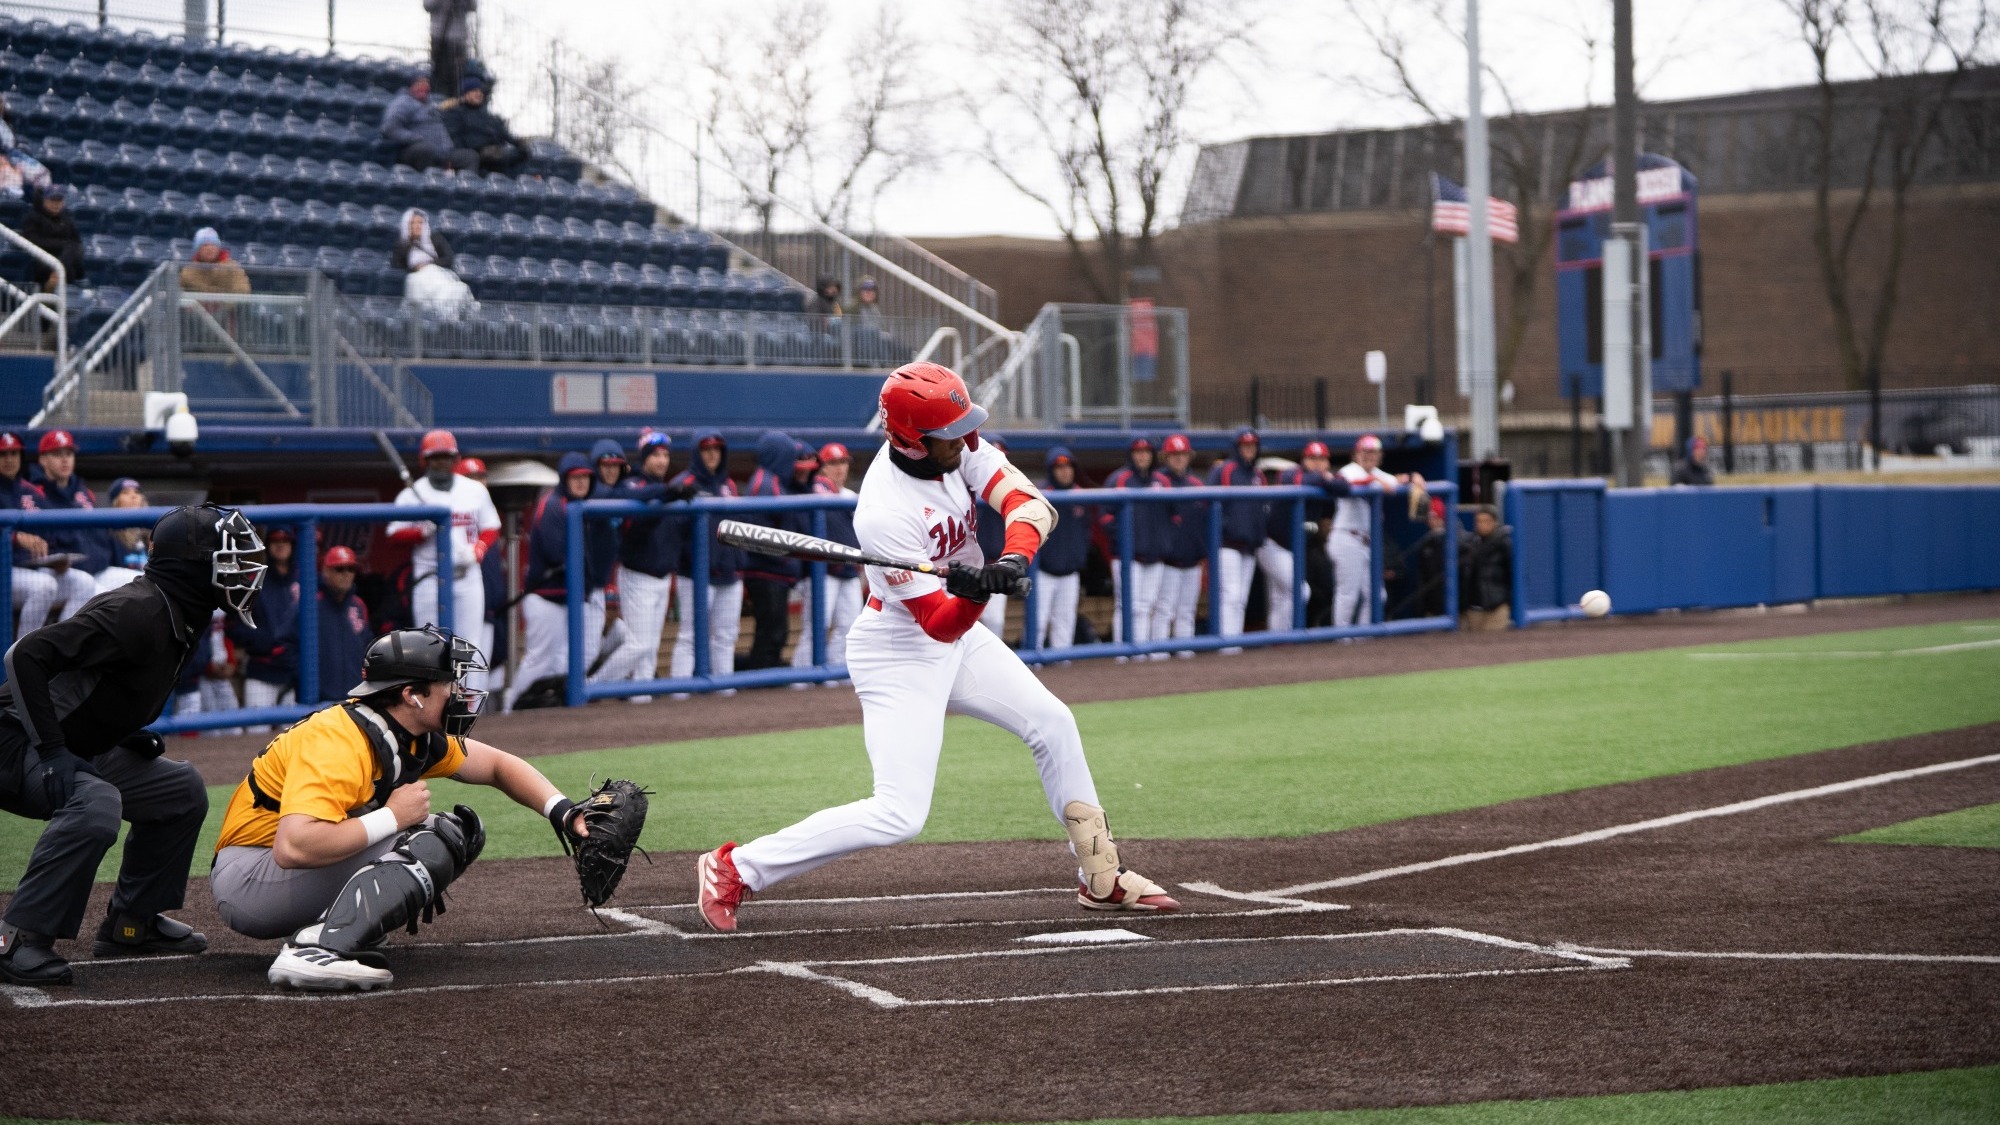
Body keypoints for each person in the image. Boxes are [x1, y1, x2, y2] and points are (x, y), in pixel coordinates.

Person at [695, 361, 1178, 932]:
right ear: (912, 440)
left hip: (959, 632)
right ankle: (736, 867)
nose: (966, 437)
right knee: (900, 813)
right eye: (950, 432)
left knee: (1053, 721)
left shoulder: (959, 443)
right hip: (899, 649)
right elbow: (939, 625)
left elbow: (1030, 507)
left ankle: (1101, 877)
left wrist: (1010, 561)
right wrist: (975, 595)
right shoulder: (883, 514)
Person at [210, 625, 602, 992]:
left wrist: (566, 813)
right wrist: (393, 817)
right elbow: (293, 846)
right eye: (448, 682)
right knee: (431, 837)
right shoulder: (338, 740)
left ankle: (342, 925)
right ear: (412, 695)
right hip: (250, 878)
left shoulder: (405, 732)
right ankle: (316, 949)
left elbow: (499, 766)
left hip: (279, 870)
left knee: (460, 831)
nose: (459, 691)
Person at [0, 504, 265, 986]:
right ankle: (17, 939)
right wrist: (54, 749)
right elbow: (26, 656)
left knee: (179, 789)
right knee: (96, 802)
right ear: (193, 565)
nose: (242, 570)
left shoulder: (182, 610)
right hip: (13, 740)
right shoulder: (135, 610)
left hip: (66, 742)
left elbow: (91, 685)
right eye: (229, 560)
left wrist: (116, 730)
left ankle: (131, 923)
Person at [386, 429, 499, 691]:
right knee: (429, 644)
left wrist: (479, 549)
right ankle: (431, 706)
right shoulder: (411, 496)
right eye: (435, 458)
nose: (441, 463)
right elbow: (392, 534)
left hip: (468, 576)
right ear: (425, 461)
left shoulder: (474, 490)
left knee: (470, 643)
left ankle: (467, 705)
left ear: (455, 459)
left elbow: (492, 525)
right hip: (430, 577)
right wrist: (420, 530)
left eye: (445, 457)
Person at [506, 453, 610, 711]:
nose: (581, 482)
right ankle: (510, 708)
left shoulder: (581, 505)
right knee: (540, 659)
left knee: (566, 660)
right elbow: (557, 553)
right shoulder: (552, 504)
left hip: (567, 598)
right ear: (565, 479)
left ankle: (548, 709)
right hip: (545, 598)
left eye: (585, 477)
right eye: (575, 477)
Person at [599, 431, 697, 701]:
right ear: (644, 458)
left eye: (666, 455)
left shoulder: (667, 490)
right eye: (656, 455)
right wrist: (669, 491)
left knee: (650, 648)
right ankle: (595, 685)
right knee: (639, 645)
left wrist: (671, 492)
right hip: (637, 576)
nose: (662, 460)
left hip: (663, 577)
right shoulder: (632, 483)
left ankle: (640, 700)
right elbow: (639, 495)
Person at [666, 430, 745, 693]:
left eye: (717, 449)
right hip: (696, 574)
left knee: (725, 636)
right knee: (690, 635)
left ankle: (723, 690)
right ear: (697, 452)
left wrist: (736, 562)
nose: (712, 454)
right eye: (706, 449)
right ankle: (680, 693)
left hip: (728, 574)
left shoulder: (729, 485)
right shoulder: (684, 482)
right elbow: (674, 532)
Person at [1328, 435, 1423, 628]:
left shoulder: (1377, 473)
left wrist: (1413, 477)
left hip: (1366, 541)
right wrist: (1378, 480)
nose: (1370, 456)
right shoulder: (1349, 471)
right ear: (1356, 454)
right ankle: (1341, 637)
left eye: (1374, 452)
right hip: (1346, 537)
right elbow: (1354, 482)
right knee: (1349, 594)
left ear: (1380, 456)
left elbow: (1397, 481)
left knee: (1377, 595)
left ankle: (1364, 636)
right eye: (1365, 452)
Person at [790, 442, 865, 676]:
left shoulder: (851, 496)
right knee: (815, 629)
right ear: (822, 467)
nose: (840, 468)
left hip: (849, 571)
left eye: (843, 462)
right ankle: (800, 679)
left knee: (850, 628)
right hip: (822, 572)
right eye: (833, 463)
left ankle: (834, 674)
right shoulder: (814, 490)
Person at [737, 431, 806, 672]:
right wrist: (786, 562)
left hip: (773, 572)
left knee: (775, 632)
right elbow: (760, 537)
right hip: (766, 573)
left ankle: (765, 676)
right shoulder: (765, 484)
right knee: (771, 632)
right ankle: (760, 684)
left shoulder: (773, 481)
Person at [1101, 437, 1174, 658]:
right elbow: (1104, 517)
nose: (1142, 456)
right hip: (1126, 556)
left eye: (1146, 452)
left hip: (1154, 555)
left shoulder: (1162, 480)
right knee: (1127, 606)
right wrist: (1125, 538)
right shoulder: (1119, 479)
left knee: (1147, 605)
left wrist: (1161, 541)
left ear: (1152, 455)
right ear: (1131, 455)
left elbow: (1174, 516)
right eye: (1138, 452)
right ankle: (1122, 653)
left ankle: (1141, 652)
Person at [30, 429, 114, 618]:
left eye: (68, 454)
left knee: (137, 582)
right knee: (103, 596)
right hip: (58, 574)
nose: (65, 460)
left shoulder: (83, 492)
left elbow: (99, 537)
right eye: (57, 454)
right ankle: (64, 643)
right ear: (43, 459)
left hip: (96, 569)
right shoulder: (33, 494)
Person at [1205, 429, 1269, 653]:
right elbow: (1207, 504)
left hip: (1249, 545)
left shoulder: (1258, 475)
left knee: (1240, 598)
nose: (1249, 449)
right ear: (1237, 447)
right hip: (1227, 543)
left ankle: (1234, 642)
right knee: (1230, 594)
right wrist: (1224, 527)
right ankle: (1227, 644)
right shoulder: (1224, 470)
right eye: (1245, 445)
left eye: (1252, 445)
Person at [231, 527, 303, 726]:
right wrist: (267, 643)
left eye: (285, 540)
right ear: (267, 546)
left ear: (293, 546)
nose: (280, 544)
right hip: (261, 674)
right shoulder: (254, 582)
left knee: (292, 743)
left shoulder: (306, 580)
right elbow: (236, 627)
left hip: (294, 676)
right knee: (256, 738)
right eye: (275, 540)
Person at [0, 432, 66, 636]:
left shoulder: (32, 491)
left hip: (31, 569)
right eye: (3, 454)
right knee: (43, 586)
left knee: (83, 582)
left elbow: (51, 534)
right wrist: (14, 538)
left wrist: (55, 558)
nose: (10, 459)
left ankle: (63, 654)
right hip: (5, 570)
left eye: (14, 453)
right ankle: (22, 657)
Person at [1033, 446, 1091, 656]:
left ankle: (1062, 665)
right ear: (1052, 470)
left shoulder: (1079, 495)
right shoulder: (1040, 494)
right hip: (1044, 572)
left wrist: (1079, 558)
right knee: (1038, 620)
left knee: (1065, 621)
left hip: (1070, 573)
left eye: (1068, 467)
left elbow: (1086, 532)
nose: (1065, 471)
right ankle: (1033, 663)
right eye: (1060, 467)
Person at [1155, 433, 1207, 656]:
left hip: (1192, 559)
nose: (1178, 459)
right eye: (1173, 455)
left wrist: (1201, 553)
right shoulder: (1158, 482)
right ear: (1165, 457)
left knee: (1187, 611)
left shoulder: (1196, 484)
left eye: (1182, 454)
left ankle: (1185, 655)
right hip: (1167, 560)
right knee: (1164, 610)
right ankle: (1158, 654)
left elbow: (1204, 523)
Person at [379, 72, 476, 172]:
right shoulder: (403, 102)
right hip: (414, 151)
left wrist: (448, 148)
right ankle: (427, 185)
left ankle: (463, 185)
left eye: (426, 83)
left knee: (469, 156)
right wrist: (416, 138)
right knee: (426, 150)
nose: (424, 86)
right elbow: (389, 128)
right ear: (411, 86)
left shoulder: (431, 105)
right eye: (420, 82)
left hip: (442, 152)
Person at [316, 546, 373, 701]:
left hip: (355, 699)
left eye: (351, 569)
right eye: (339, 569)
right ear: (326, 571)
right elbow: (288, 645)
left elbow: (369, 649)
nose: (346, 574)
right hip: (320, 702)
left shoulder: (358, 605)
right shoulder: (311, 605)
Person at [392, 208, 475, 315]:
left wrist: (429, 264)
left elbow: (449, 258)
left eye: (420, 223)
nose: (417, 226)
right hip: (417, 278)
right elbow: (396, 264)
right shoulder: (402, 245)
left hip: (436, 272)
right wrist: (415, 267)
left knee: (450, 287)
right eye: (413, 223)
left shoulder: (435, 238)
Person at [440, 77, 528, 175]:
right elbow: (455, 139)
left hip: (495, 152)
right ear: (465, 94)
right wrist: (478, 149)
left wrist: (520, 144)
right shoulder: (455, 113)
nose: (479, 94)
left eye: (480, 91)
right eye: (474, 91)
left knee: (523, 154)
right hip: (475, 153)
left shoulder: (488, 117)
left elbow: (504, 134)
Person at [1293, 442, 1338, 627]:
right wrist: (1325, 479)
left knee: (1324, 587)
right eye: (1313, 459)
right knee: (1297, 592)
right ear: (1304, 460)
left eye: (1321, 459)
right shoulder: (1292, 473)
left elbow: (1343, 487)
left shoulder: (1328, 482)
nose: (1317, 463)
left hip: (1311, 544)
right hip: (1284, 545)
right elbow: (1302, 481)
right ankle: (1289, 636)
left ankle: (1317, 630)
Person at [20, 184, 84, 291]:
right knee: (70, 248)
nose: (56, 204)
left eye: (59, 200)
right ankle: (59, 276)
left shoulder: (67, 218)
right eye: (52, 200)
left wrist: (64, 246)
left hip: (65, 261)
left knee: (73, 248)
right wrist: (61, 244)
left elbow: (76, 242)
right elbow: (32, 241)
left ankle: (56, 275)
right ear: (44, 200)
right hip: (41, 261)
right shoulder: (33, 217)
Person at [1460, 505, 1513, 632]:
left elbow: (1513, 575)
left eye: (1486, 521)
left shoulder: (1504, 543)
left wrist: (1508, 601)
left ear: (1495, 522)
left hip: (1496, 607)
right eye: (1479, 521)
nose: (1482, 525)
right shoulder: (1469, 544)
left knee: (1495, 647)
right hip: (1473, 608)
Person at [93, 478, 151, 592]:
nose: (133, 496)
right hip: (113, 587)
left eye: (137, 492)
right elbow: (102, 571)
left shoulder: (149, 532)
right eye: (125, 493)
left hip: (141, 588)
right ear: (116, 501)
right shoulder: (107, 530)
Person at [424, 0, 478, 97]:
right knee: (439, 75)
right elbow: (427, 6)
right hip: (438, 37)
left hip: (458, 40)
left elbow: (473, 6)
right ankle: (438, 100)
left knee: (457, 75)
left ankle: (455, 102)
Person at [178, 227, 250, 296]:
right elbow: (177, 292)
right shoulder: (188, 271)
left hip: (227, 308)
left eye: (213, 244)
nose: (210, 248)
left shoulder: (233, 268)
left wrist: (223, 305)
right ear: (197, 250)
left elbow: (243, 290)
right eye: (205, 245)